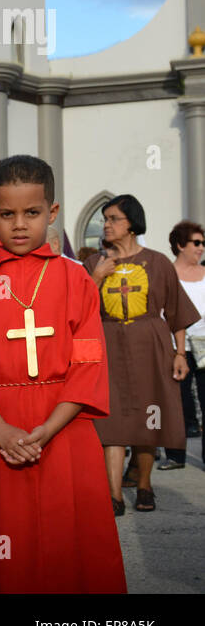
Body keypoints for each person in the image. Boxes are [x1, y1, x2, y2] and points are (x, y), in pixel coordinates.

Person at [0, 156, 125, 592]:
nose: (19, 225)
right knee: (1, 543)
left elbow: (88, 365)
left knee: (66, 540)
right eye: (7, 215)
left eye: (32, 213)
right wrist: (1, 430)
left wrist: (45, 430)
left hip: (63, 427)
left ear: (53, 213)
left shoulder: (75, 280)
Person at [84, 196, 200, 512]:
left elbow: (175, 310)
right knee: (112, 423)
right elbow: (78, 309)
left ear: (132, 224)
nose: (106, 224)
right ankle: (115, 495)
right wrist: (96, 278)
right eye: (105, 218)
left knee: (148, 417)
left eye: (113, 218)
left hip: (150, 346)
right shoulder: (94, 264)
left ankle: (145, 486)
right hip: (108, 347)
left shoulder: (158, 262)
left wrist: (179, 354)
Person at [163, 221, 205, 467]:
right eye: (196, 243)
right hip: (175, 346)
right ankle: (175, 455)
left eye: (203, 244)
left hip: (204, 346)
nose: (201, 248)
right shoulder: (168, 273)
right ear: (180, 245)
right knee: (176, 402)